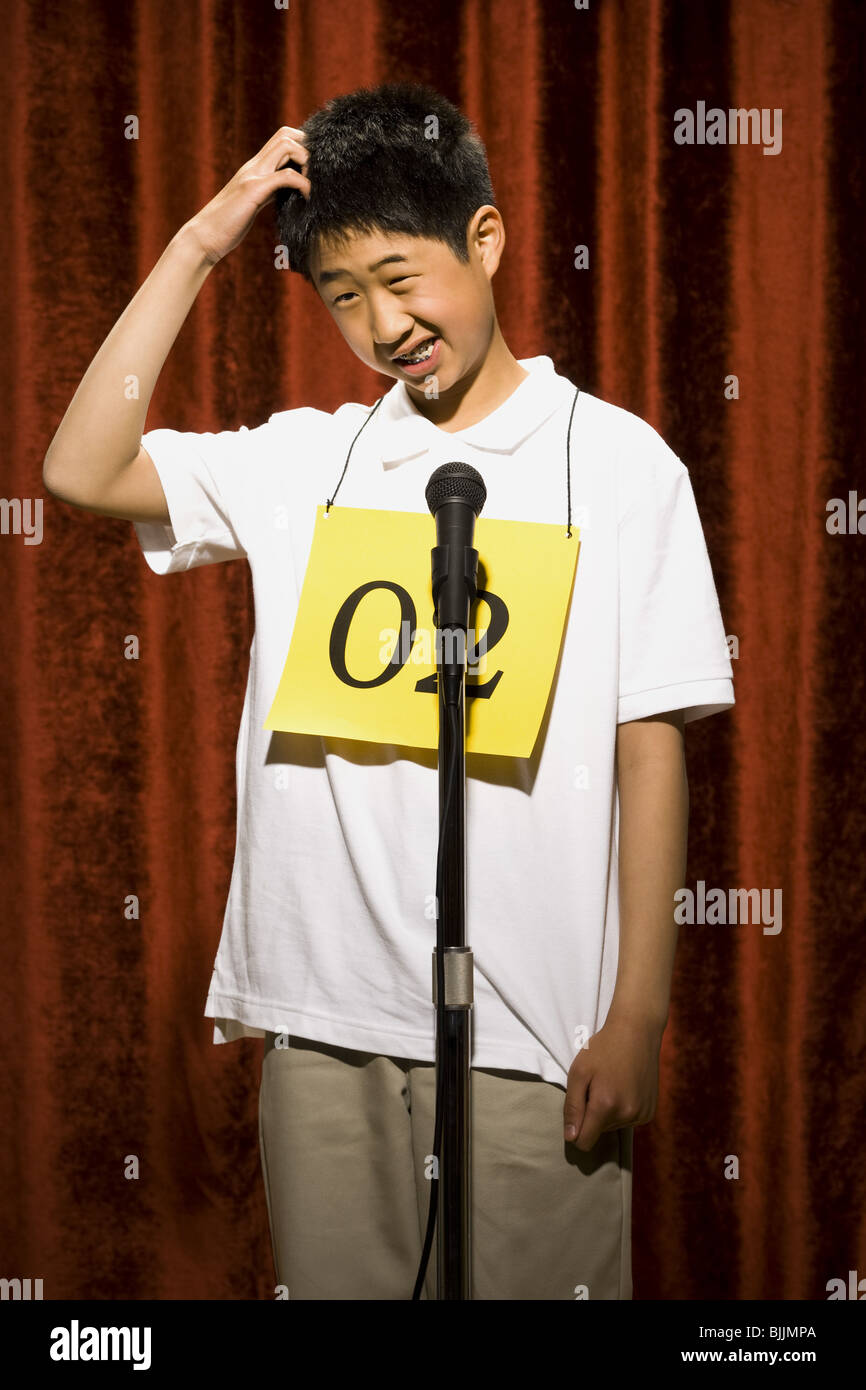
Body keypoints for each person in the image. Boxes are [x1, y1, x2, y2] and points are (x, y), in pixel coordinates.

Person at [42, 80, 734, 1301]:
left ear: (485, 237)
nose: (382, 323)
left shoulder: (622, 463)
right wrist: (204, 241)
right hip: (324, 1023)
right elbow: (81, 465)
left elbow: (649, 742)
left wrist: (637, 1015)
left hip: (535, 1030)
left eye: (402, 277)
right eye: (342, 295)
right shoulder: (308, 458)